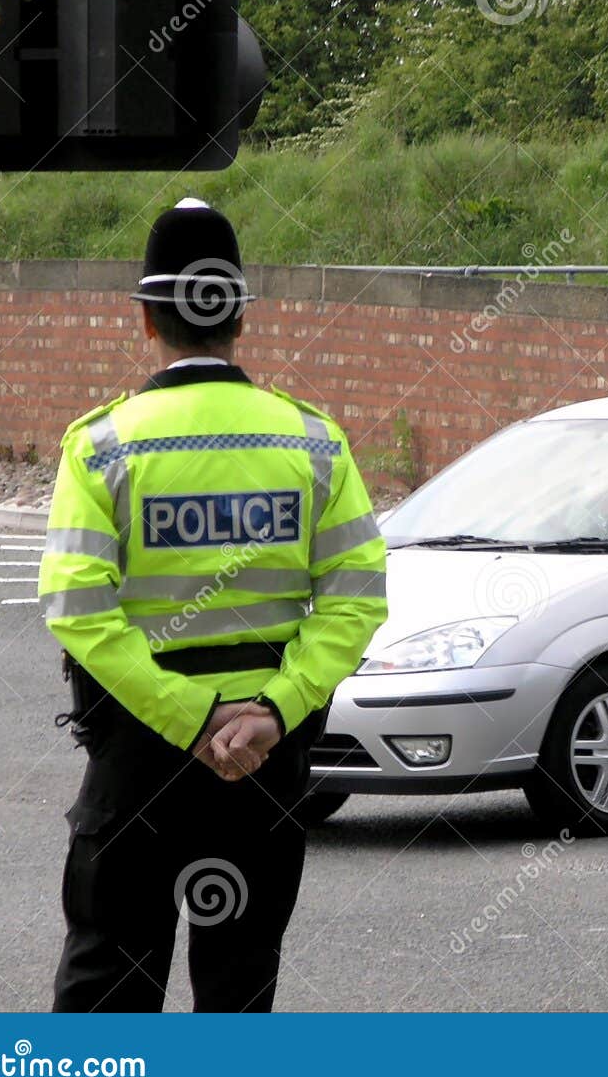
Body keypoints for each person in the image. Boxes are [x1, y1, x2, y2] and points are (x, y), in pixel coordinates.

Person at [40, 198, 388, 1013]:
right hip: (263, 767)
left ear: (145, 320)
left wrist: (192, 719)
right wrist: (269, 710)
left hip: (138, 763)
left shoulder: (103, 446)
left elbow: (78, 610)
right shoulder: (313, 443)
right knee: (239, 992)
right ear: (238, 318)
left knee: (107, 989)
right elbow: (354, 600)